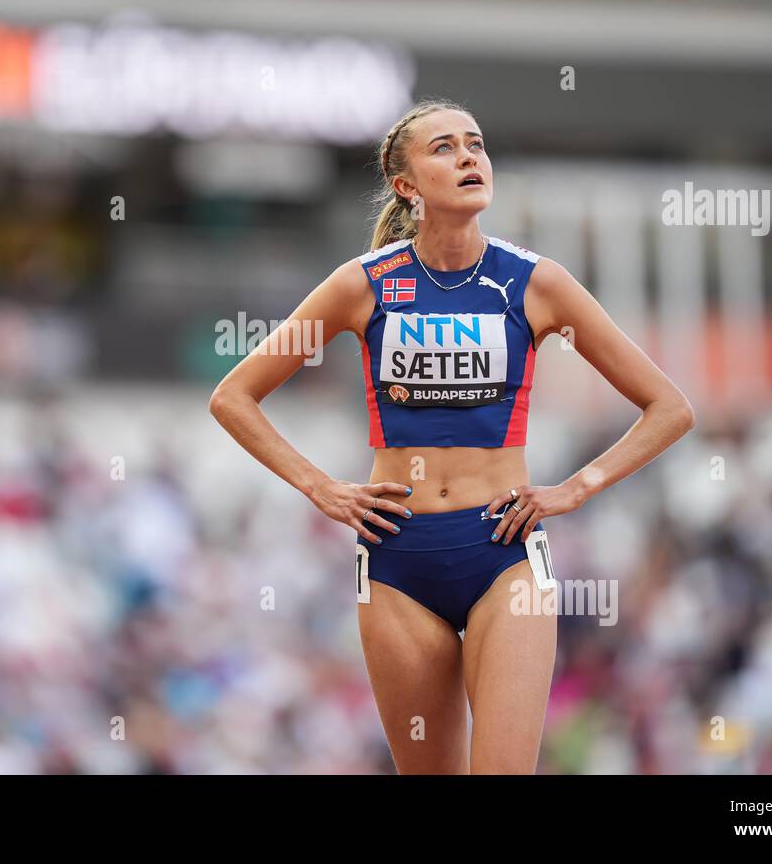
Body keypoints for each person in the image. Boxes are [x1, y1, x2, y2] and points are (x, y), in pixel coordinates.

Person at [208, 98, 694, 773]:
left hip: (506, 552)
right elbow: (234, 397)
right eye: (445, 147)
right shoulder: (364, 285)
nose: (469, 156)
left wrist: (578, 488)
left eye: (476, 143)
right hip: (397, 557)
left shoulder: (535, 283)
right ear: (405, 185)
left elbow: (669, 408)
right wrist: (321, 488)